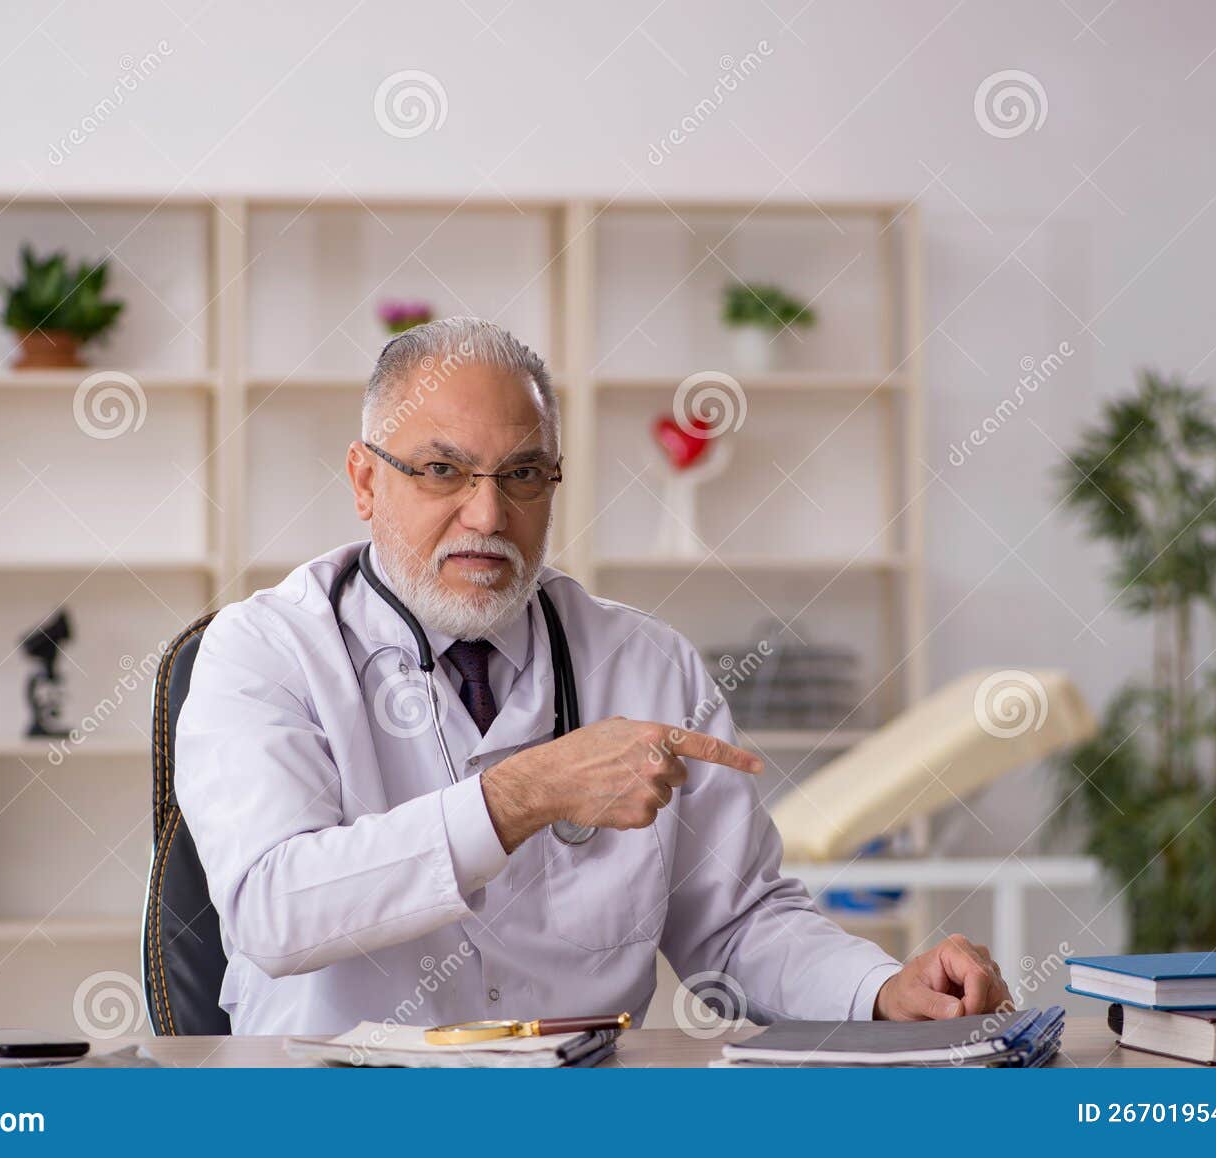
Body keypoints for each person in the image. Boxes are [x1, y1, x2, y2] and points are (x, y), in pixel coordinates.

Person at [175, 317, 1010, 1034]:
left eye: (524, 474)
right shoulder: (266, 649)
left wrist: (877, 990)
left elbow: (739, 924)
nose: (488, 514)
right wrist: (520, 796)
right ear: (365, 479)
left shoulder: (647, 666)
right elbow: (272, 912)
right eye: (441, 471)